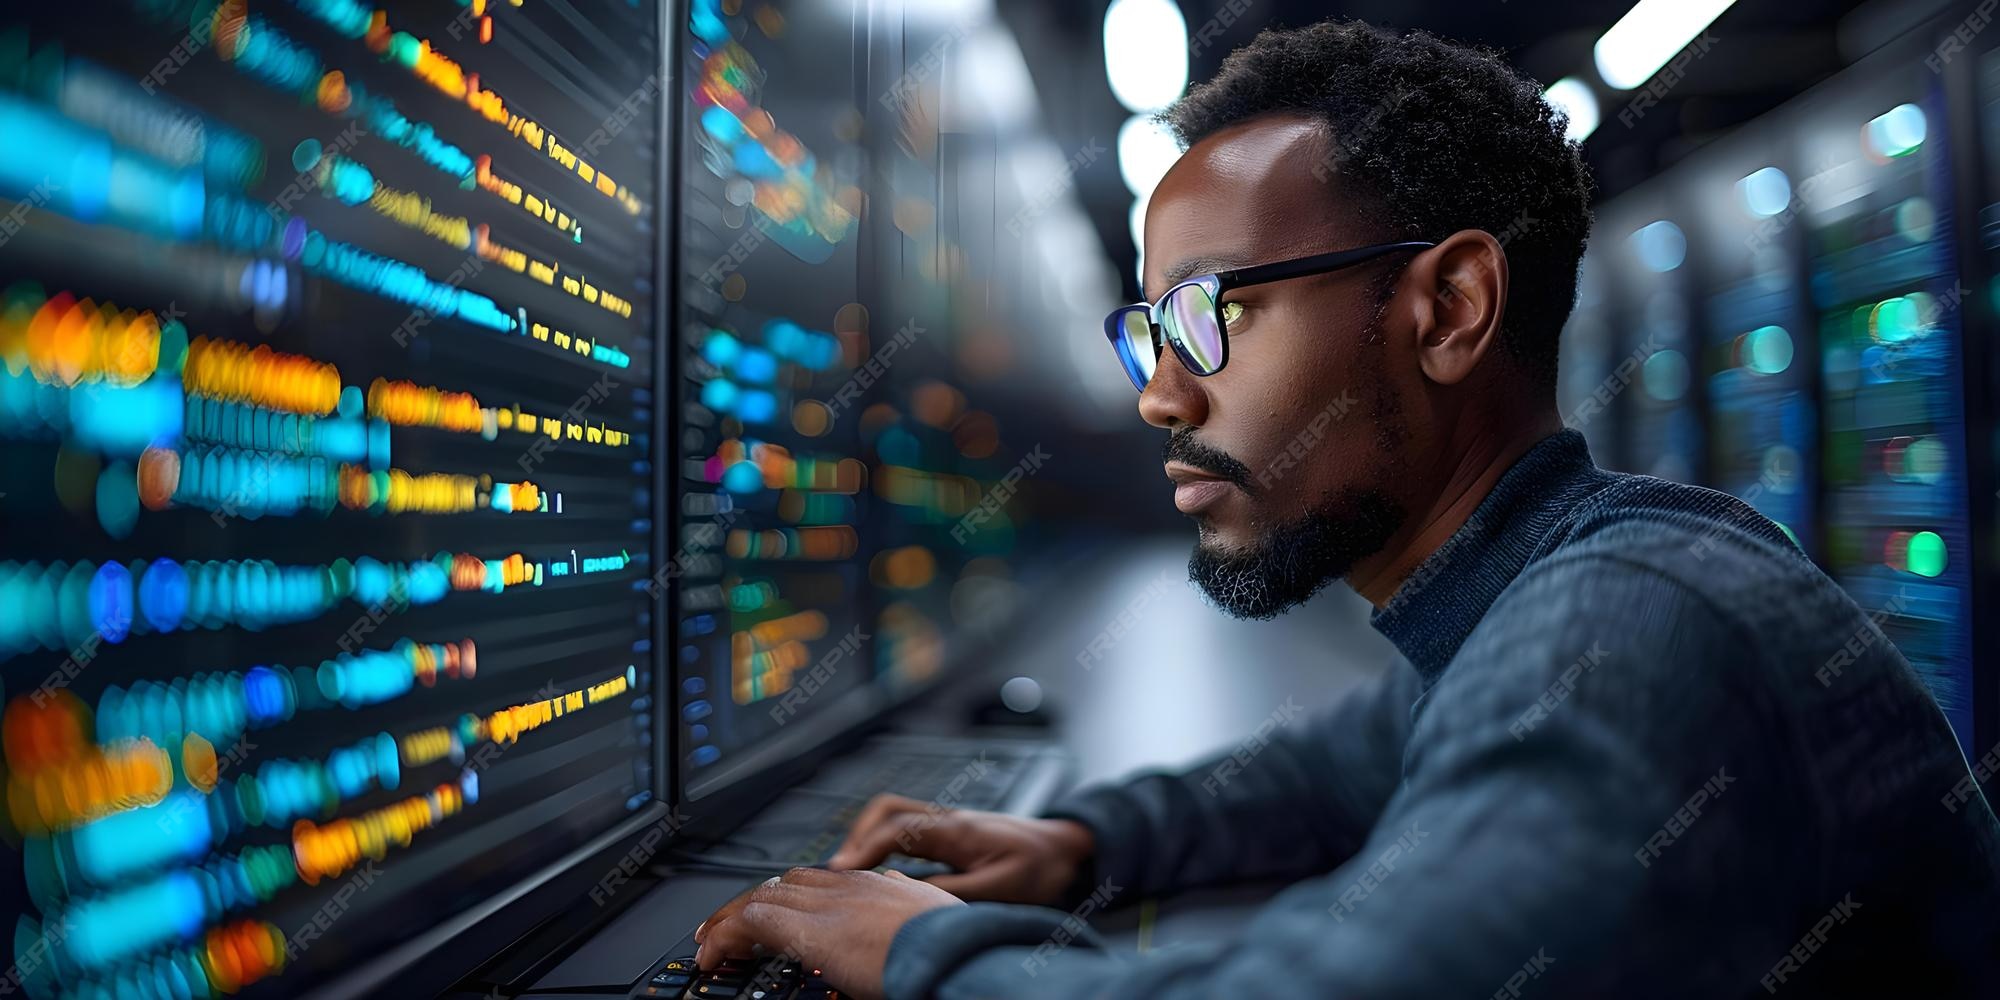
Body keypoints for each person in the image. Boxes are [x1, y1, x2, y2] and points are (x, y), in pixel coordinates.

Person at [691, 18, 2000, 998]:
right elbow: (1340, 767)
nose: (1159, 396)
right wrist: (1082, 841)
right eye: (1147, 329)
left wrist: (928, 947)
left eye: (1209, 315)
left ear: (1448, 313)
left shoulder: (1629, 625)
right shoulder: (1534, 594)